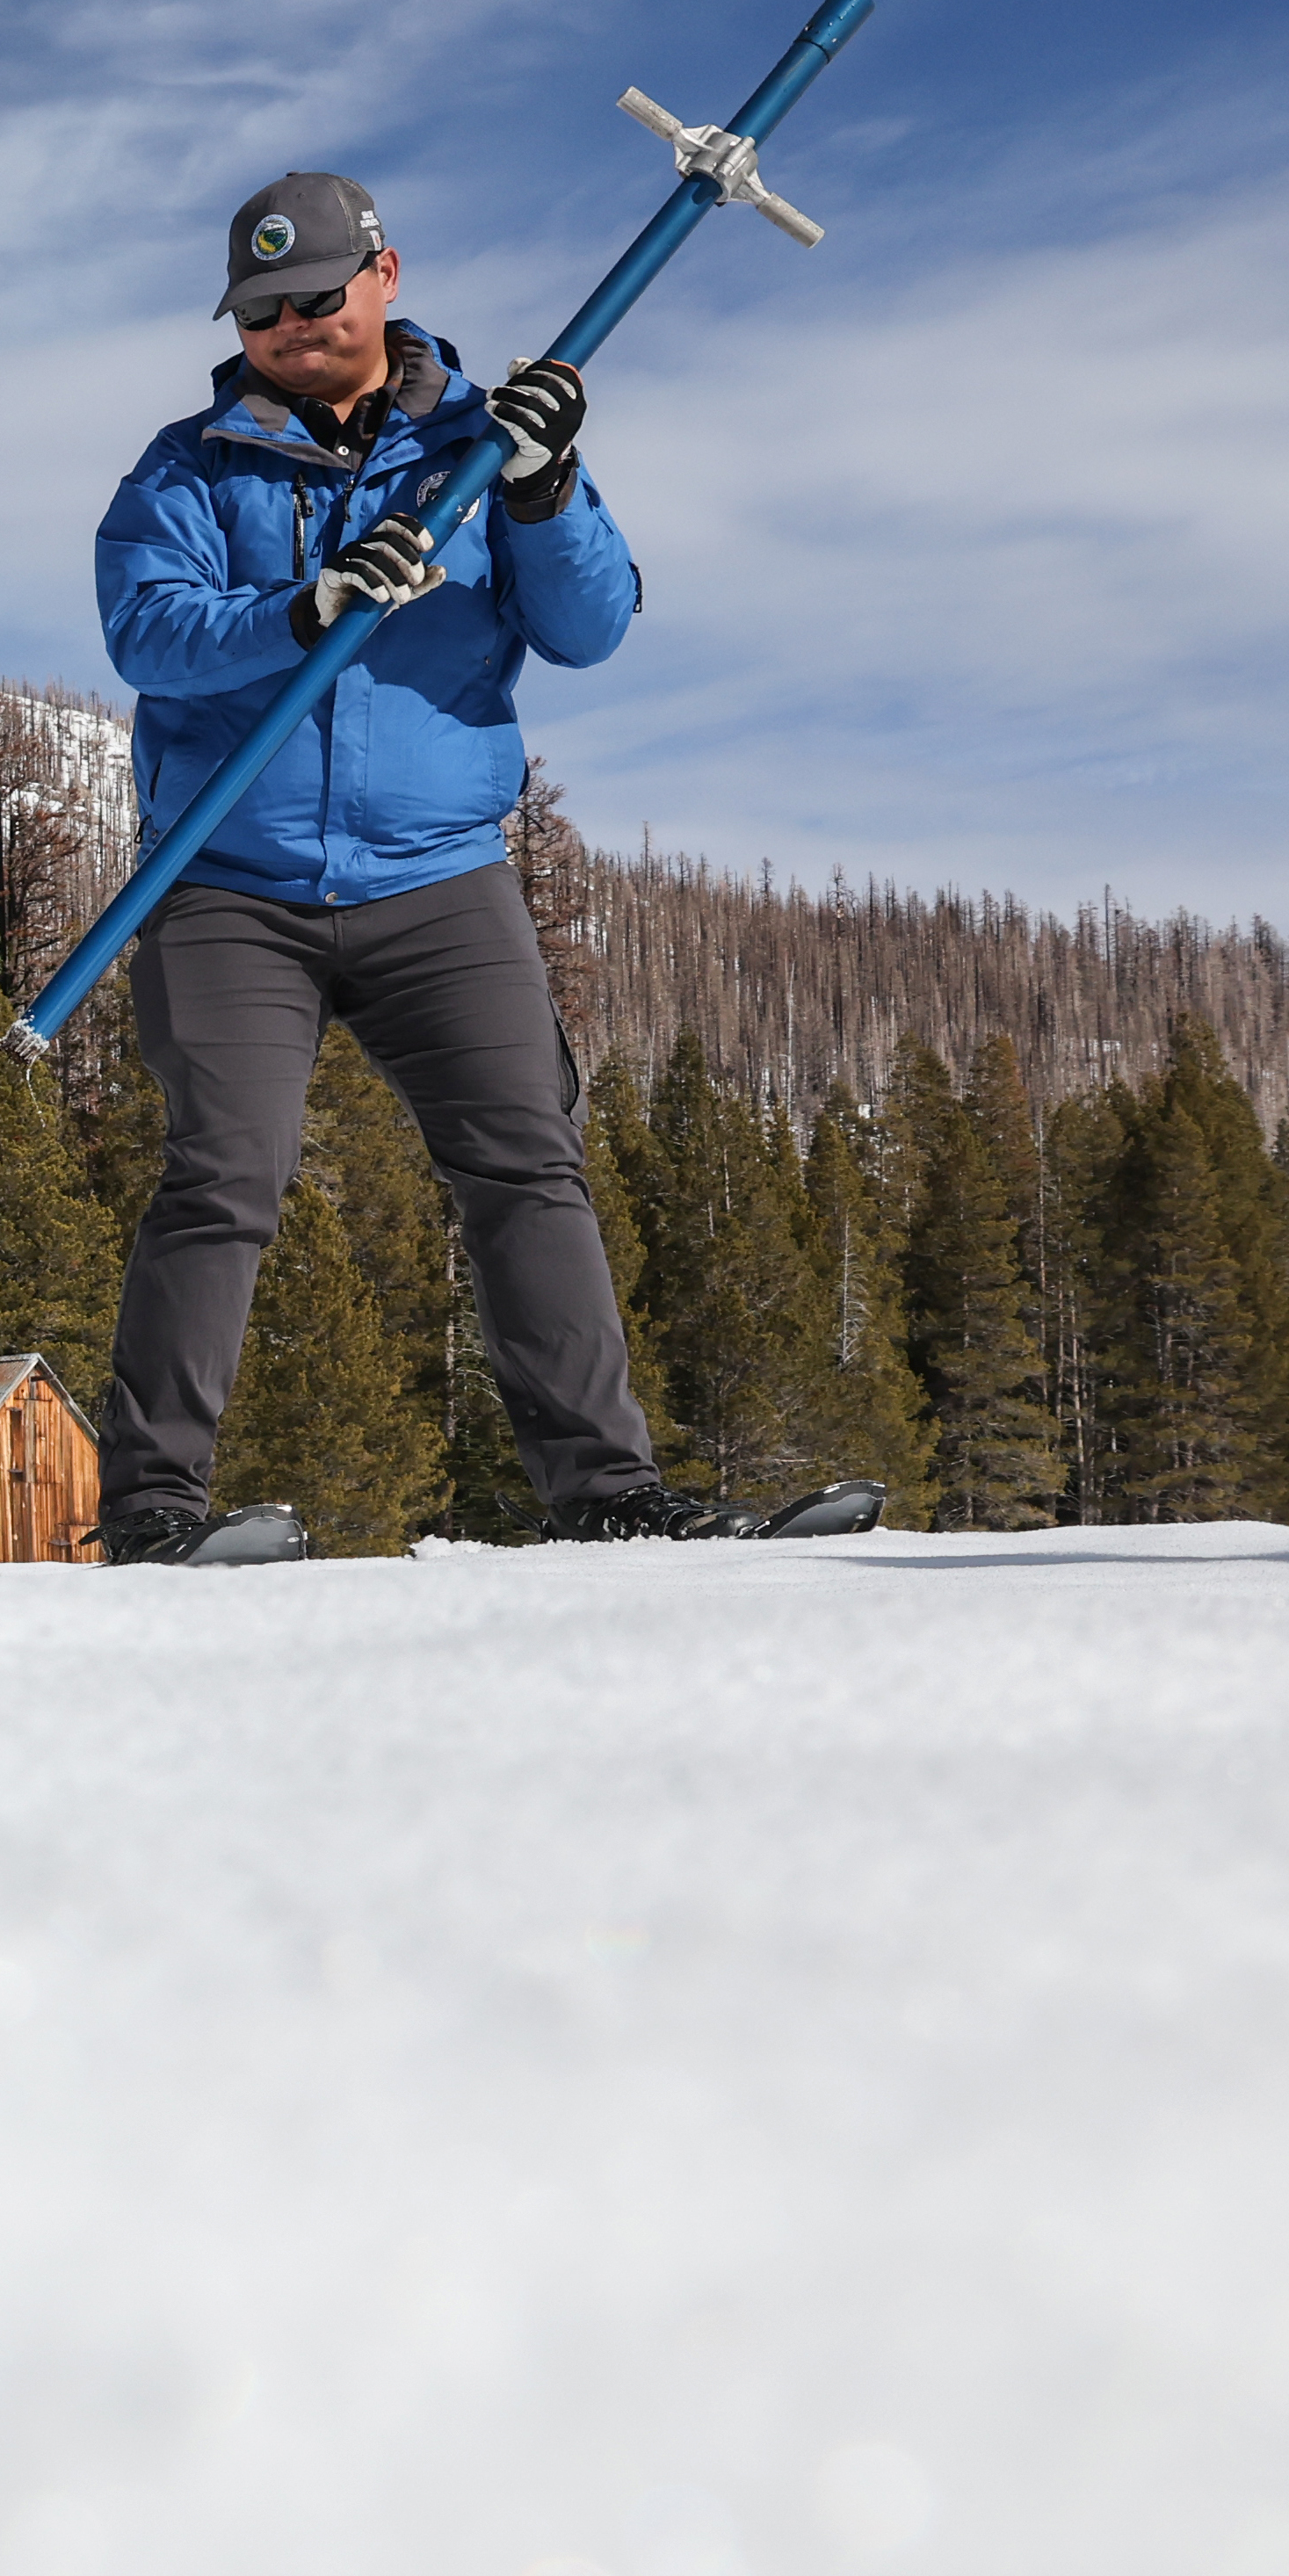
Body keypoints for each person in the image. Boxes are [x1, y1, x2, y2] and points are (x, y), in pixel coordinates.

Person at [87, 170, 773, 1560]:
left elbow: (587, 629)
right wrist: (302, 607)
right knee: (222, 1176)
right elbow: (148, 635)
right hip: (228, 881)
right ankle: (154, 1512)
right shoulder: (186, 465)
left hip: (435, 881)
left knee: (525, 1165)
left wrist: (547, 488)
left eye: (312, 298)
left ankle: (606, 1496)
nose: (285, 326)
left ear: (383, 276)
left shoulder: (485, 442)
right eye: (258, 309)